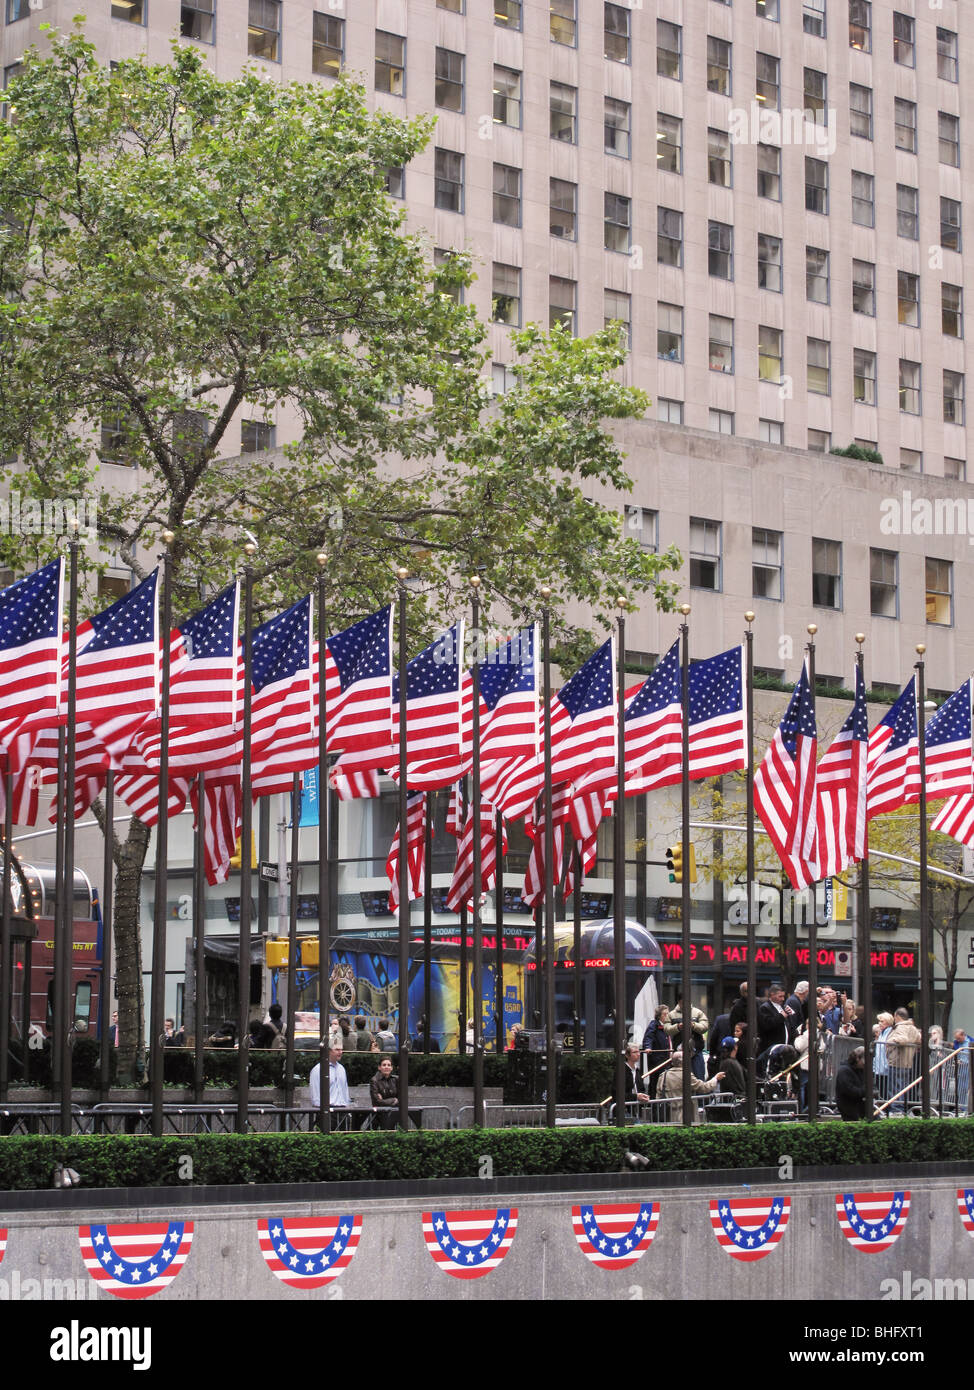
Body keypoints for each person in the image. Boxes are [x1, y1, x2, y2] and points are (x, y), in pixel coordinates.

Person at [658, 1050, 724, 1124]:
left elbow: (658, 1096)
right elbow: (704, 1087)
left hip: (668, 1115)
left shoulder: (663, 1076)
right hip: (685, 1115)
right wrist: (715, 1078)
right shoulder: (686, 1075)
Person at [885, 1008, 921, 1114]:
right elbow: (919, 1039)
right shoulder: (913, 1028)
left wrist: (890, 1041)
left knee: (895, 1088)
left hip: (897, 1061)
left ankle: (896, 1109)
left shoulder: (901, 1027)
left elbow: (903, 1039)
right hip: (907, 1063)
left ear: (897, 1016)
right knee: (903, 1087)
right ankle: (900, 1108)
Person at [664, 997, 708, 1081]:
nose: (684, 1005)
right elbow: (666, 1029)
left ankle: (698, 1094)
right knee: (679, 1079)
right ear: (678, 1002)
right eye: (681, 1003)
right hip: (678, 1052)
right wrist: (677, 1027)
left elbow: (705, 1027)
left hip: (696, 1051)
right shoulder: (671, 1015)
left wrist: (694, 1025)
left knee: (698, 1077)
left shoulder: (698, 1012)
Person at [641, 1005, 672, 1097]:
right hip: (658, 1060)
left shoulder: (668, 1025)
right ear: (659, 1016)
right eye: (664, 1014)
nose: (667, 1016)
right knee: (656, 1082)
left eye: (668, 1013)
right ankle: (654, 1104)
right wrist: (648, 1047)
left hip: (667, 1059)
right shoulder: (654, 1024)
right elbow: (648, 1037)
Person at [309, 1041, 351, 1110]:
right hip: (327, 1110)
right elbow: (315, 1095)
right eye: (337, 1050)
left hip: (342, 1110)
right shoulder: (318, 1069)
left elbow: (345, 1091)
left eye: (341, 1049)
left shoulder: (342, 1069)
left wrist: (347, 1107)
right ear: (329, 1051)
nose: (340, 1052)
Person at [757, 984, 791, 1057]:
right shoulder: (765, 1008)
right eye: (780, 996)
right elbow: (767, 1025)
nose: (783, 999)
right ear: (772, 995)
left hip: (784, 1046)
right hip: (772, 1048)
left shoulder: (782, 1006)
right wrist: (781, 1016)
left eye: (783, 996)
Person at [834, 1045, 867, 1121]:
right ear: (857, 1058)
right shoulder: (844, 1071)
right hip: (849, 1107)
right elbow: (850, 1090)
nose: (865, 1064)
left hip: (861, 1107)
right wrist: (865, 1091)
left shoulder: (862, 1070)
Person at [369, 1055, 398, 1129]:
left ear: (392, 1068)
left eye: (389, 1065)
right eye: (384, 1065)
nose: (386, 1067)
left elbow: (401, 1098)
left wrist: (383, 1100)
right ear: (379, 1067)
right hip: (378, 1115)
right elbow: (377, 1101)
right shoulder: (374, 1080)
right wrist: (393, 1100)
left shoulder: (395, 1080)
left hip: (393, 1114)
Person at [872, 1012, 894, 1101]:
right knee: (880, 1089)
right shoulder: (882, 1033)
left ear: (888, 1022)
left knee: (885, 1089)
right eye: (879, 1021)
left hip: (885, 1067)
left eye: (882, 1021)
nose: (879, 1023)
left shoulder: (890, 1033)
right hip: (879, 1067)